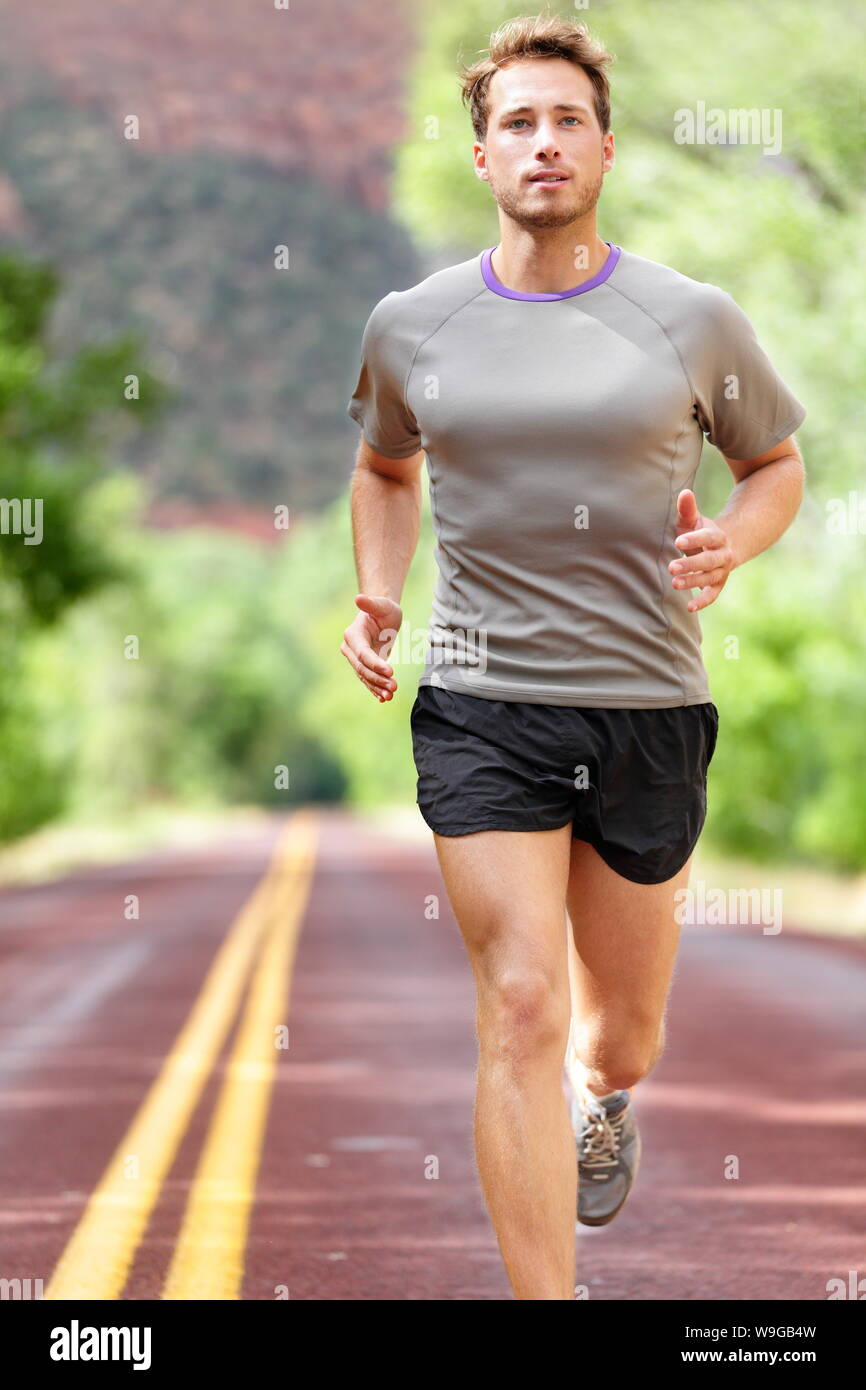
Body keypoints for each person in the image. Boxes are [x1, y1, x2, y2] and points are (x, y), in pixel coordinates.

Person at [341, 13, 806, 1300]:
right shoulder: (412, 325)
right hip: (482, 704)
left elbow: (773, 466)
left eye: (564, 121)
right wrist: (380, 595)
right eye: (515, 123)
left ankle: (605, 1101)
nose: (541, 143)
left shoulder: (689, 320)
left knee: (618, 1035)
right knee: (521, 1005)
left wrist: (732, 544)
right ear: (481, 157)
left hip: (648, 705)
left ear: (602, 150)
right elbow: (384, 467)